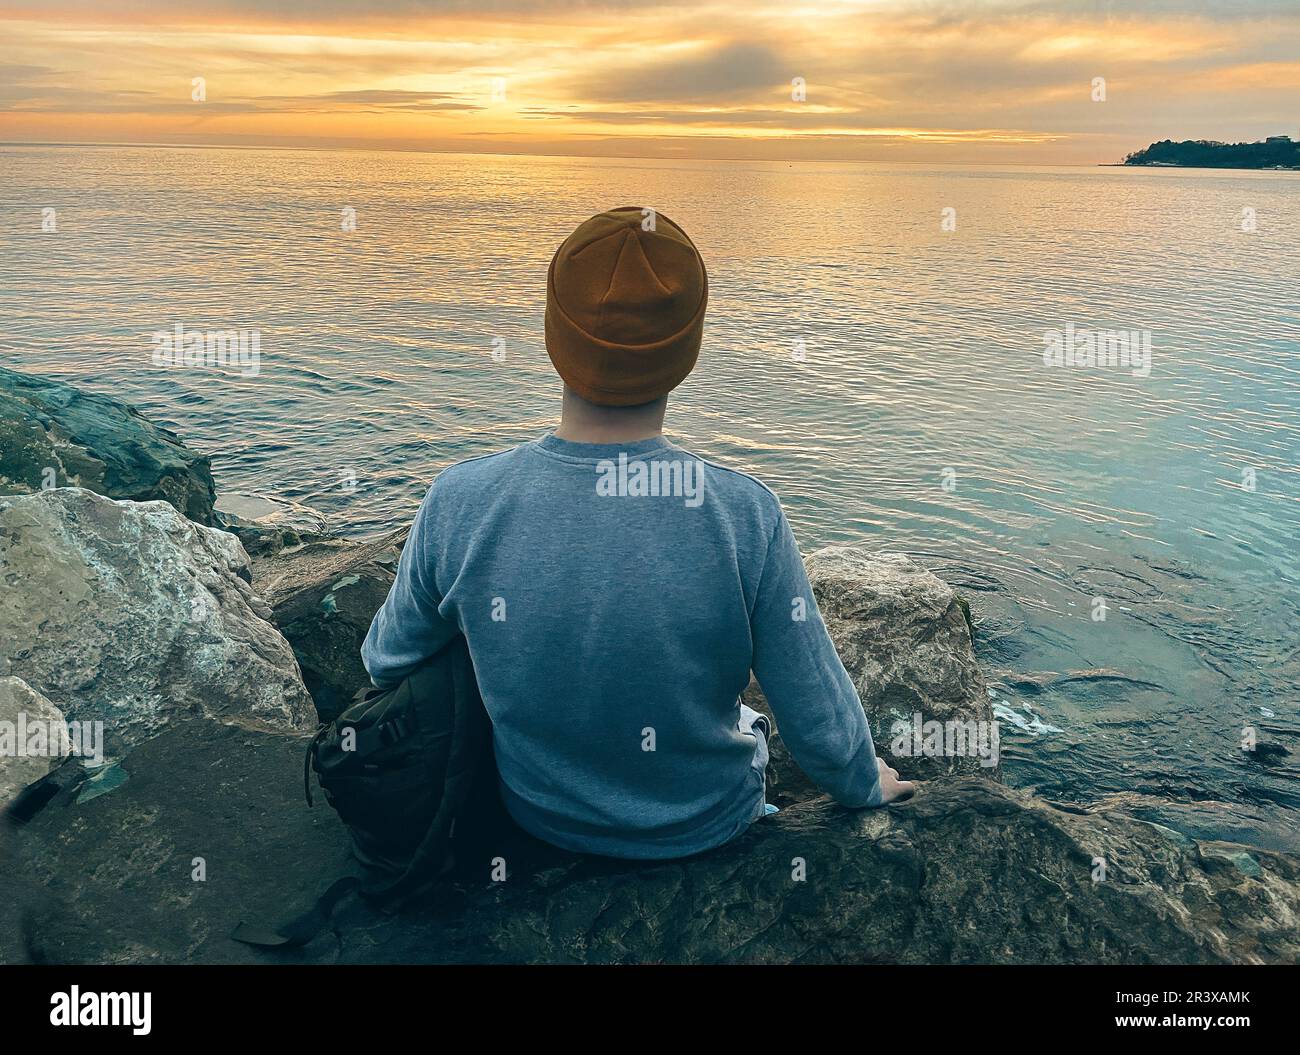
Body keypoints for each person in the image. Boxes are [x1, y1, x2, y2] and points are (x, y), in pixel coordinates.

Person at [362, 206, 914, 861]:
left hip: (537, 815)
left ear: (552, 337)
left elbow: (386, 660)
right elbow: (818, 720)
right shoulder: (744, 514)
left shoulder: (460, 500)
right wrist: (866, 783)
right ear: (688, 351)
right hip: (705, 823)